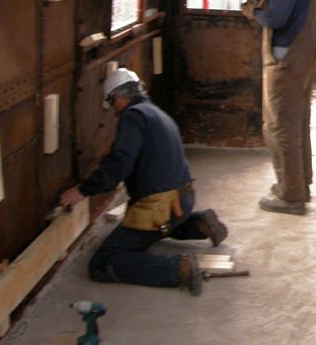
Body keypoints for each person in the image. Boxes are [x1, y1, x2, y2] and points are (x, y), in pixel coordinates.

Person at [59, 68, 228, 295]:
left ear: (118, 97)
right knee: (160, 229)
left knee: (103, 261)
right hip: (183, 201)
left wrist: (81, 191)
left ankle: (177, 268)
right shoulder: (155, 113)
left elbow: (118, 165)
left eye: (111, 104)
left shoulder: (132, 116)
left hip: (160, 209)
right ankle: (198, 224)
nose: (114, 111)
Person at [240, 0, 316, 215]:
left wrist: (252, 11)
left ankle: (291, 197)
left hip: (285, 62)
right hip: (303, 58)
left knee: (279, 127)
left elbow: (275, 19)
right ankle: (300, 184)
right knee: (297, 123)